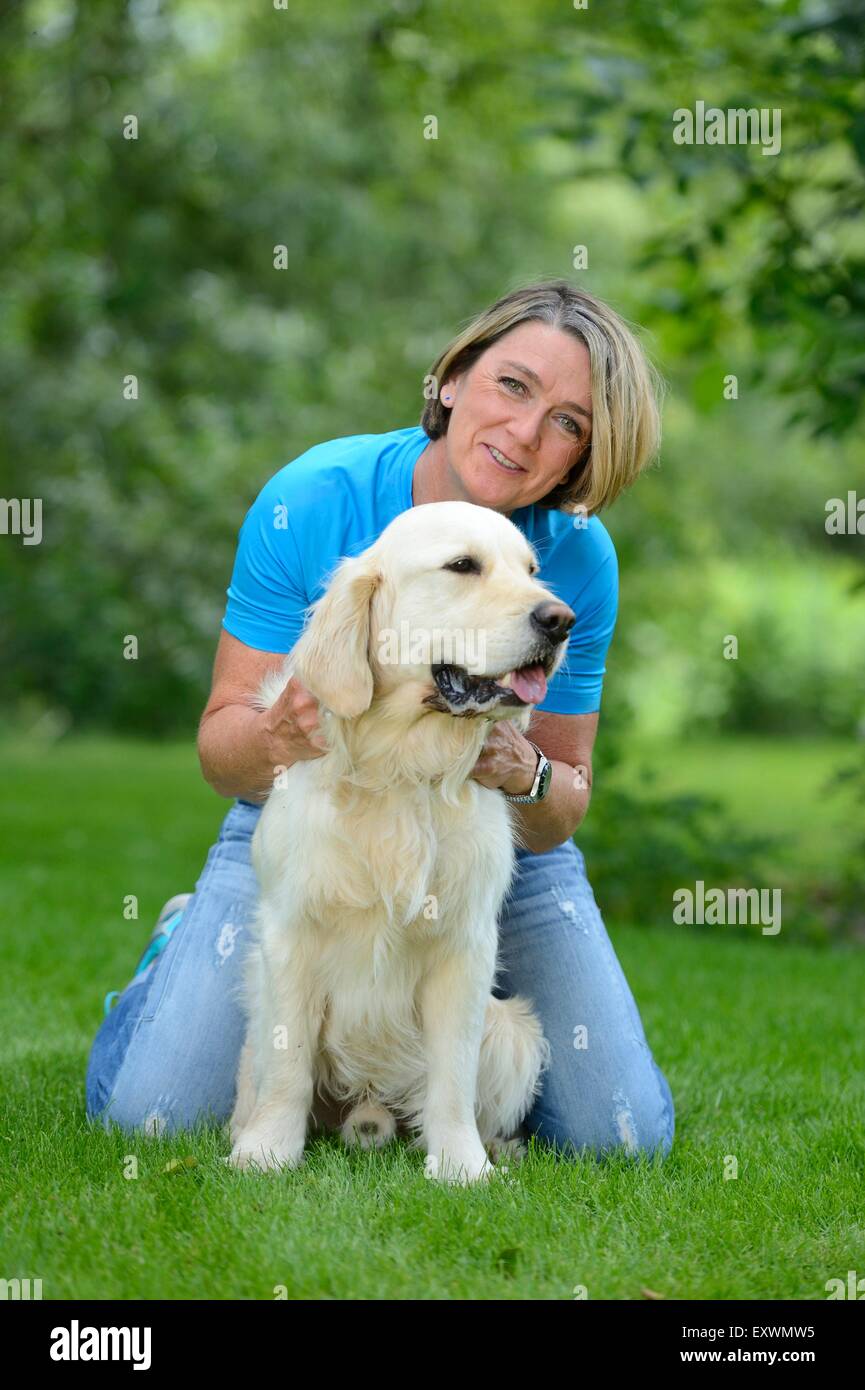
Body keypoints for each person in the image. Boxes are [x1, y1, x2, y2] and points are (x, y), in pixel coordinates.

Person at [85, 278, 674, 1160]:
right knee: (153, 1114)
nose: (525, 431)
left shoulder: (573, 560)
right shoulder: (315, 496)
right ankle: (181, 948)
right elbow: (221, 754)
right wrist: (279, 735)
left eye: (569, 423)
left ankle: (425, 1064)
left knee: (617, 1136)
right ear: (450, 381)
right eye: (512, 386)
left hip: (478, 825)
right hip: (311, 813)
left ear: (577, 463)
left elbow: (560, 810)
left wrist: (527, 774)